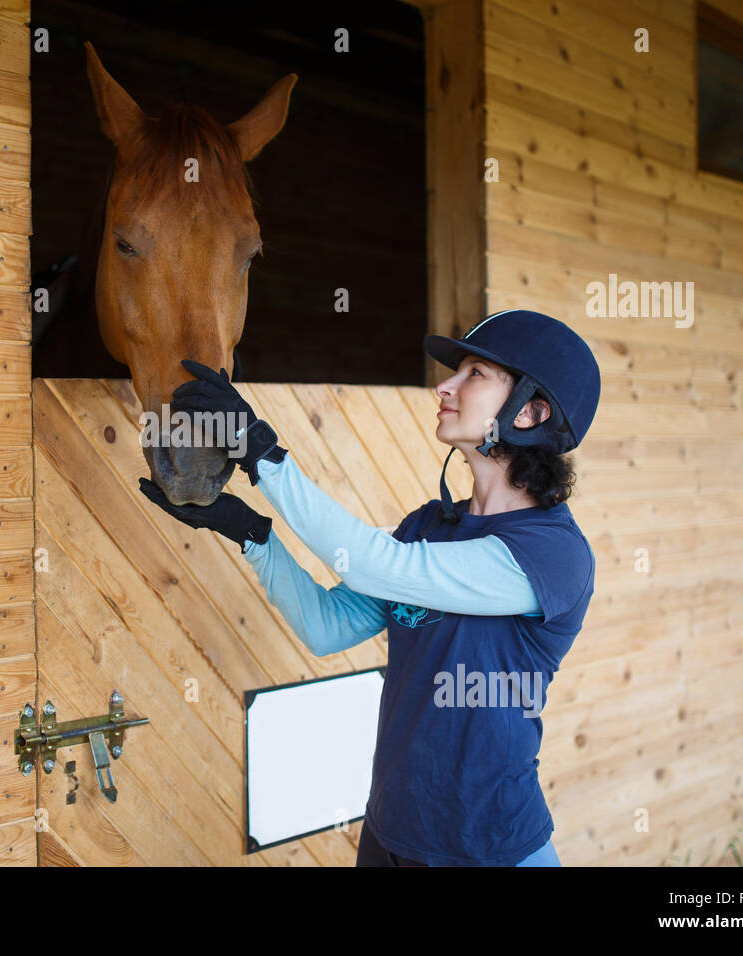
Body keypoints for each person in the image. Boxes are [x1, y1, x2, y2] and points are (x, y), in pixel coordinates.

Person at [139, 309, 600, 867]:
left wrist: (259, 451)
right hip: (389, 835)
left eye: (474, 374)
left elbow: (375, 565)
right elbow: (325, 627)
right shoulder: (428, 528)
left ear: (530, 411)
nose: (444, 385)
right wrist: (250, 533)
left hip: (489, 850)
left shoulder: (552, 553)